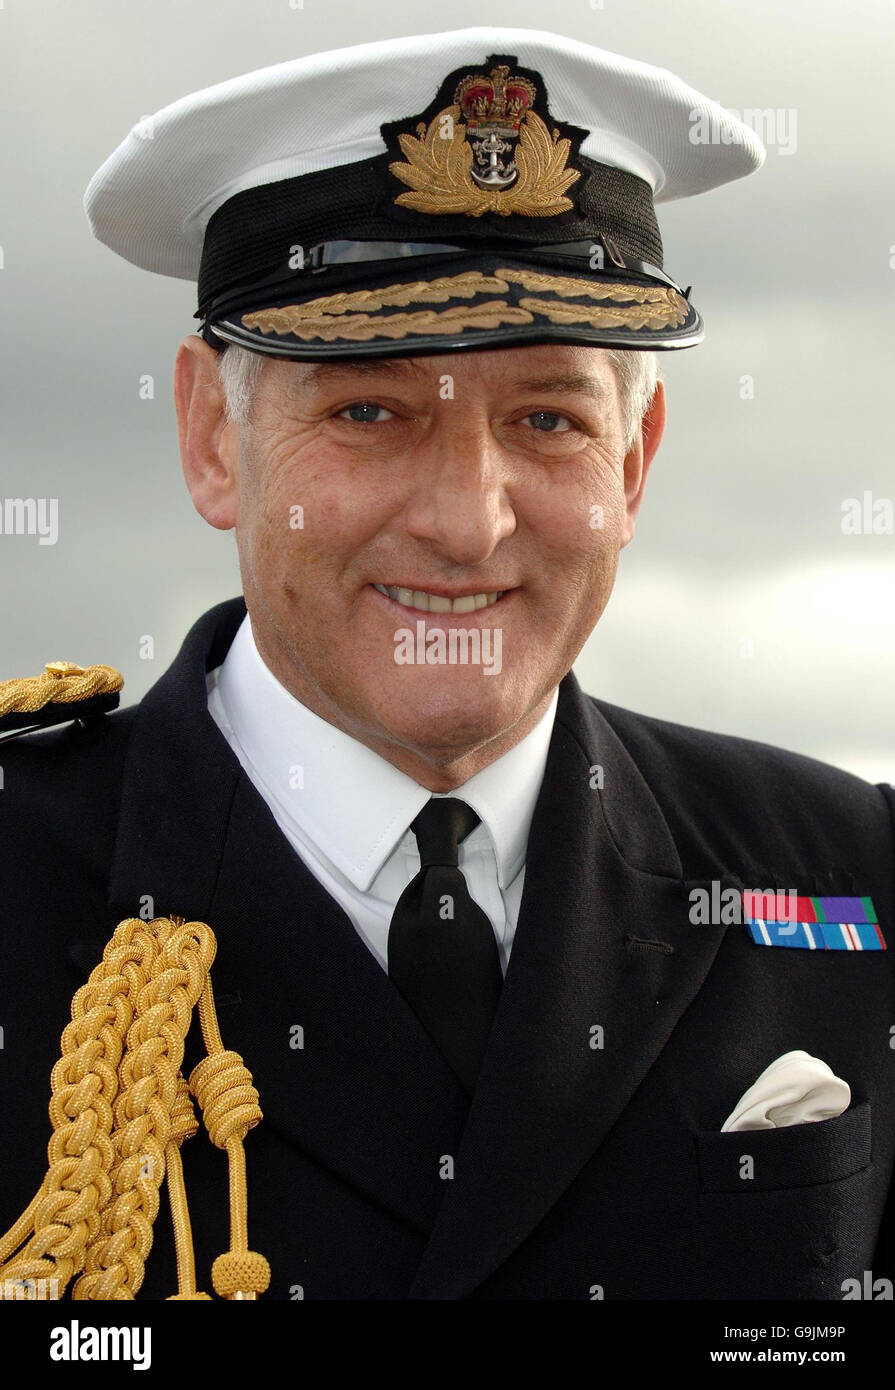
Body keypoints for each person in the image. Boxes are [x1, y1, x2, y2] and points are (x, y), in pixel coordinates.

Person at [0, 27, 892, 1303]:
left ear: (633, 463)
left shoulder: (846, 874)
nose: (469, 521)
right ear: (211, 437)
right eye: (369, 408)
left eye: (547, 418)